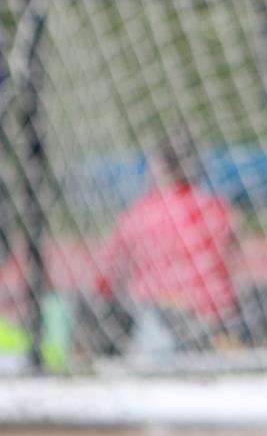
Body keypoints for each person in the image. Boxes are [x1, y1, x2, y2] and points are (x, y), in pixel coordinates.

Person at [93, 132, 238, 357]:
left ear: (159, 166)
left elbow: (105, 277)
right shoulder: (218, 209)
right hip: (209, 317)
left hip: (155, 317)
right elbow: (230, 267)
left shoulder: (139, 213)